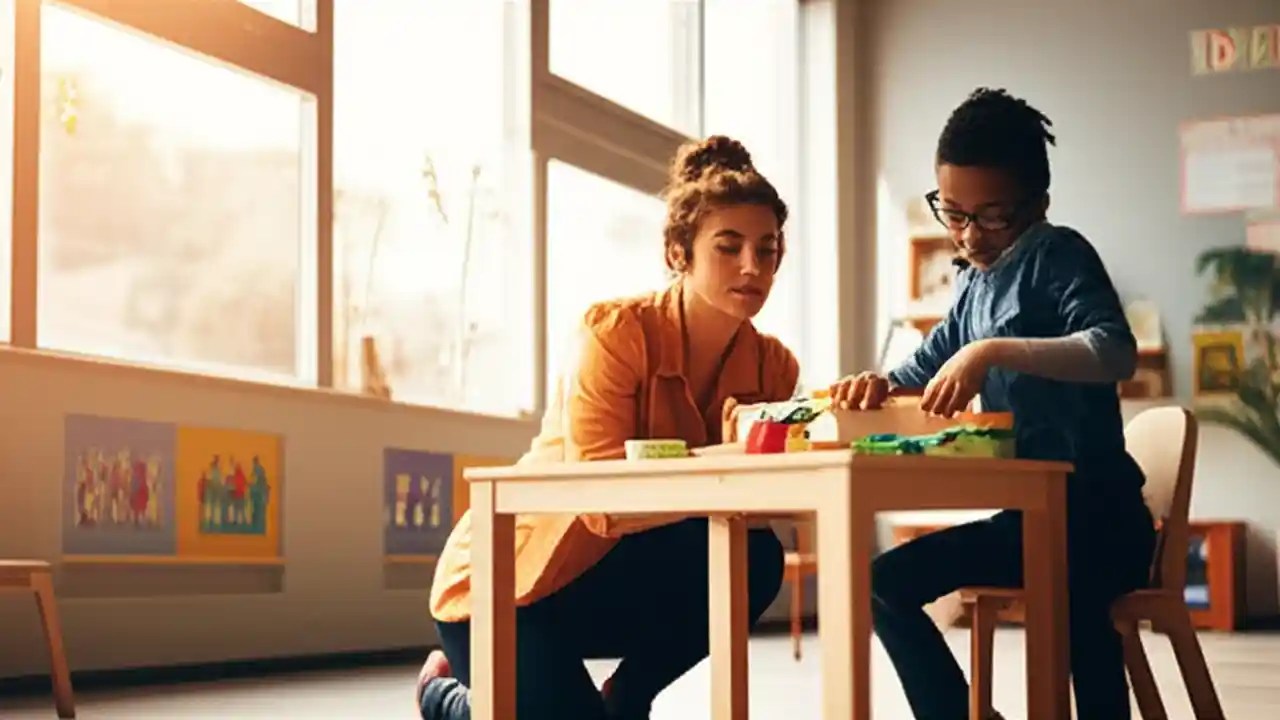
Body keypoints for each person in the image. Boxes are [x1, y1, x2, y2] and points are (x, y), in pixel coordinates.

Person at [418, 135, 798, 720]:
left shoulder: (775, 366)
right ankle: (446, 698)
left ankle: (628, 696)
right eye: (729, 247)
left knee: (756, 556)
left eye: (767, 249)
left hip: (610, 576)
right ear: (678, 253)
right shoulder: (615, 334)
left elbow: (758, 505)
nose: (753, 266)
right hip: (506, 587)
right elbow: (600, 502)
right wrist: (726, 467)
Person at [830, 87, 1156, 720]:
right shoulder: (973, 283)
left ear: (1037, 204)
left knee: (1076, 606)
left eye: (993, 216)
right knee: (882, 584)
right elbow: (925, 369)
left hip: (1101, 518)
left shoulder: (1057, 253)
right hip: (1027, 521)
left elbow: (1113, 350)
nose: (969, 234)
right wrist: (876, 383)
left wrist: (994, 352)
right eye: (952, 213)